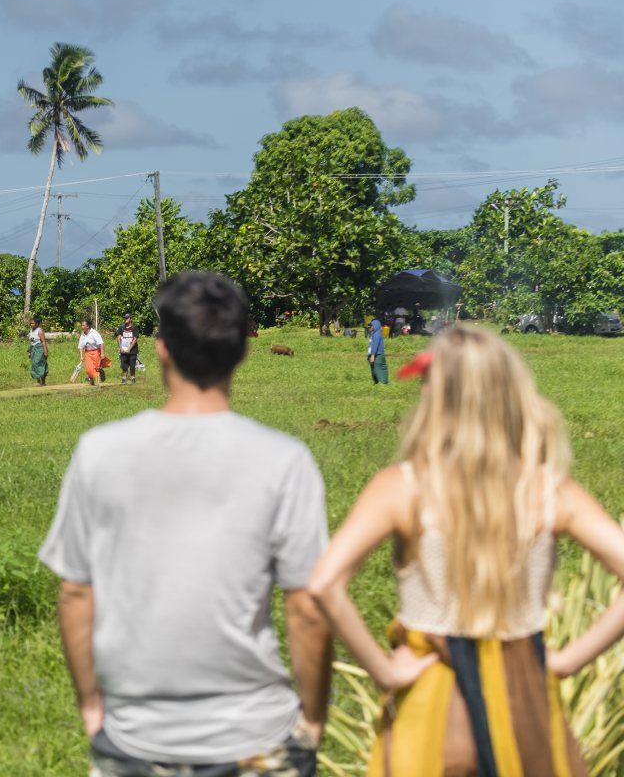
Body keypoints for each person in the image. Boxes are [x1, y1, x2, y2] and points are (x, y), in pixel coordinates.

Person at [40, 272, 332, 776]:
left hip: (137, 736)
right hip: (256, 736)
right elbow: (307, 606)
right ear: (241, 350)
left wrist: (91, 706)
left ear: (161, 350)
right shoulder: (284, 460)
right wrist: (313, 716)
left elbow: (75, 593)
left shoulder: (101, 453)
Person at [308, 326, 624, 775]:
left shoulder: (403, 487)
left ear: (436, 398)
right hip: (524, 689)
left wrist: (384, 671)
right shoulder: (549, 489)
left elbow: (324, 584)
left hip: (432, 688)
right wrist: (570, 661)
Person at [114, 313, 140, 385]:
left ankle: (133, 379)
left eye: (127, 318)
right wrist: (120, 347)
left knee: (132, 366)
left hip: (132, 350)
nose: (125, 319)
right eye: (125, 318)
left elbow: (135, 339)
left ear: (131, 319)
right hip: (123, 350)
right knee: (124, 366)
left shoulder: (135, 328)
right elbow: (118, 337)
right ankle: (124, 379)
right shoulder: (121, 327)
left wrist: (129, 348)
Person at [77, 320, 105, 387]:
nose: (82, 326)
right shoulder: (83, 335)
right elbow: (80, 346)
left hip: (96, 351)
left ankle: (99, 378)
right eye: (82, 325)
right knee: (89, 368)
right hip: (88, 353)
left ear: (88, 326)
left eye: (83, 325)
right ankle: (91, 381)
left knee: (96, 368)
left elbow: (101, 343)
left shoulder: (94, 333)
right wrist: (81, 356)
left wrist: (102, 353)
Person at [28, 316, 49, 386]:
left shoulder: (40, 331)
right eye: (31, 323)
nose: (31, 325)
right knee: (34, 364)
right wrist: (30, 351)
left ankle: (43, 382)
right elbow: (31, 342)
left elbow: (43, 341)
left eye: (33, 323)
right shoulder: (31, 330)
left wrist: (45, 351)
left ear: (37, 324)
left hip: (40, 349)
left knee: (40, 363)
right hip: (34, 349)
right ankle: (38, 381)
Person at [368, 319, 388, 385]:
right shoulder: (375, 333)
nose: (370, 327)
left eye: (372, 326)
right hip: (376, 354)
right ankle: (377, 382)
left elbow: (375, 345)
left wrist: (373, 355)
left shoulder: (377, 334)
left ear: (376, 326)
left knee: (379, 368)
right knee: (375, 368)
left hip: (378, 354)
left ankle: (383, 383)